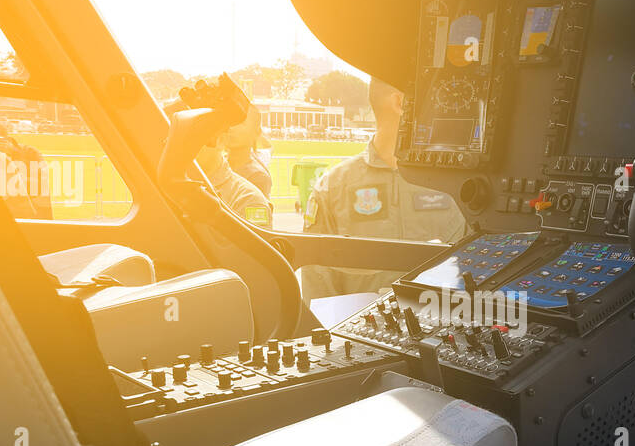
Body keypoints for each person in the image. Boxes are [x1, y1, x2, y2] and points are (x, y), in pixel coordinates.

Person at [300, 77, 466, 299]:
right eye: (435, 99)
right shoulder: (333, 187)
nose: (446, 109)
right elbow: (317, 283)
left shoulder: (459, 184)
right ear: (400, 103)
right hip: (355, 332)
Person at [163, 95, 274, 227]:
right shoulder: (166, 188)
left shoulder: (246, 199)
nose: (175, 145)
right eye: (171, 137)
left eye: (191, 137)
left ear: (220, 141)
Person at [222, 103, 274, 198]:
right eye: (231, 122)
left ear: (257, 132)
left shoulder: (257, 177)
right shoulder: (217, 166)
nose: (232, 128)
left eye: (241, 123)